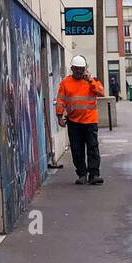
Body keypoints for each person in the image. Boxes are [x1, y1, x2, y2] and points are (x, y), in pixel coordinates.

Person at [56, 55, 106, 185]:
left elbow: (101, 92)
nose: (79, 71)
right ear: (72, 68)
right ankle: (82, 174)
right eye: (76, 69)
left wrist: (91, 81)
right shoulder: (65, 83)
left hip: (90, 121)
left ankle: (94, 174)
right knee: (77, 150)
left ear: (85, 69)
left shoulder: (91, 81)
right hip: (74, 122)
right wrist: (59, 116)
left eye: (81, 69)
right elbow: (60, 100)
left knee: (93, 148)